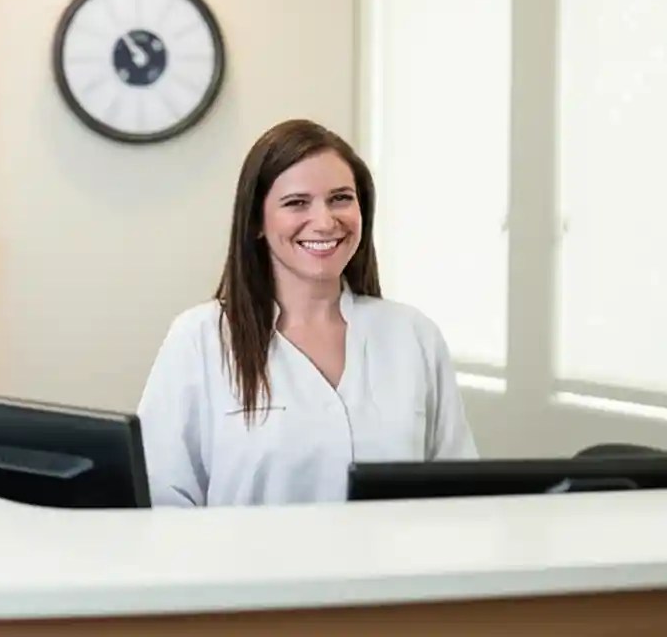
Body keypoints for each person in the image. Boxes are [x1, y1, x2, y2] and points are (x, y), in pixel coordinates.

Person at [137, 119, 477, 507]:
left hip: (390, 568)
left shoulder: (413, 335)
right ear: (256, 222)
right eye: (297, 203)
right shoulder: (200, 338)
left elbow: (456, 494)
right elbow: (161, 498)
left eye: (341, 198)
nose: (325, 221)